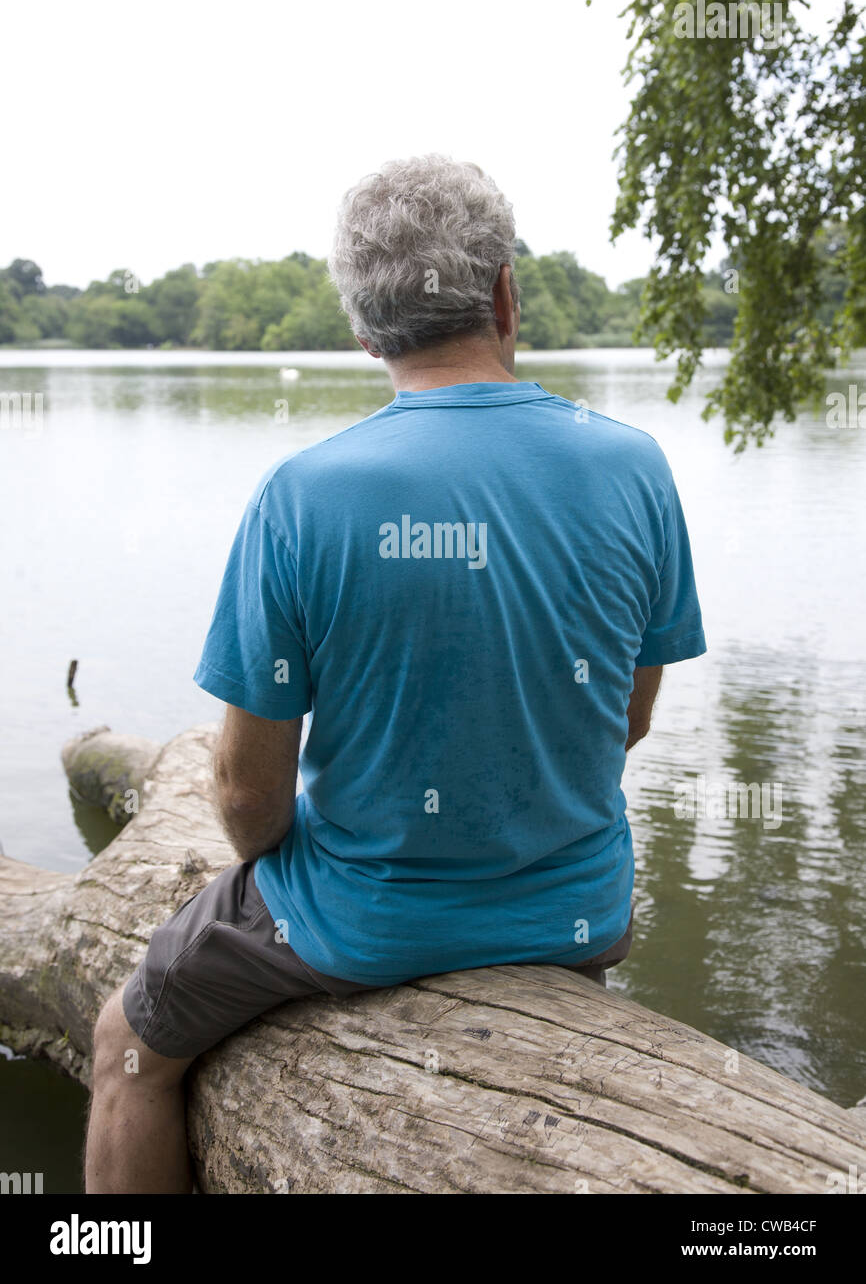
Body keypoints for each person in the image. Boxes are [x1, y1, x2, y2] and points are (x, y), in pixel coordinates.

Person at [85, 154, 706, 1193]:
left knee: (122, 1046)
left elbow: (245, 795)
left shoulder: (302, 494)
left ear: (363, 331)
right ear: (505, 294)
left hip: (363, 925)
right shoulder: (631, 463)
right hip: (581, 914)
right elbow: (623, 720)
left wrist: (293, 873)